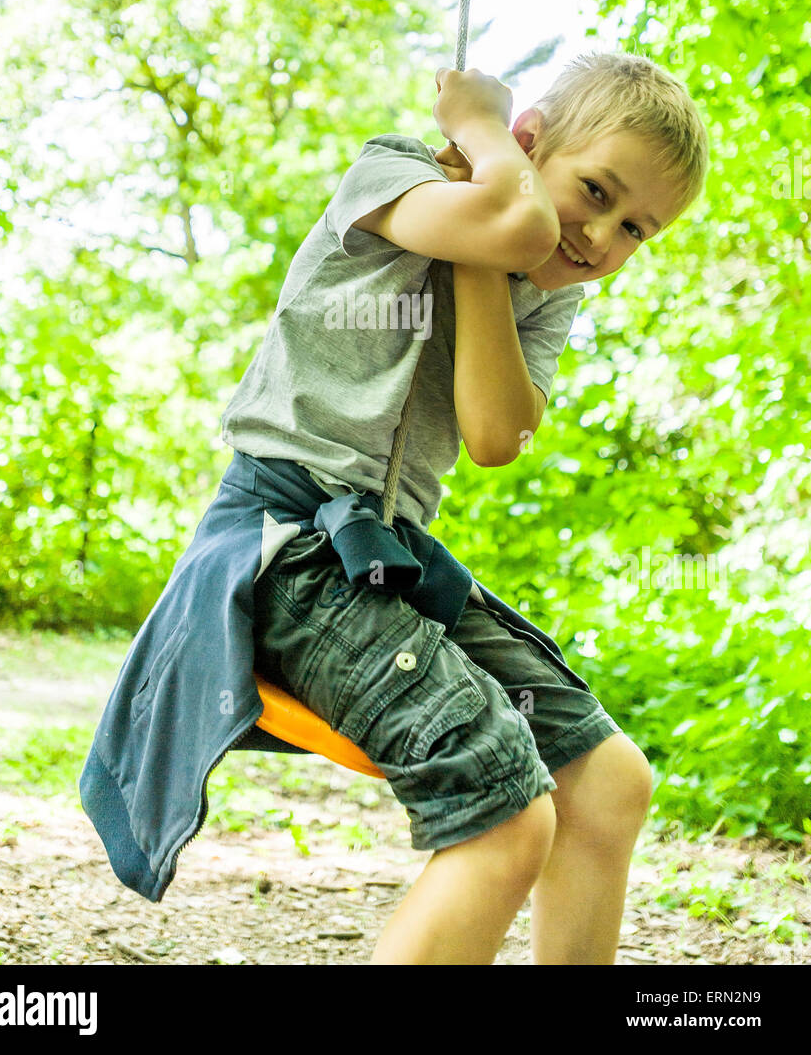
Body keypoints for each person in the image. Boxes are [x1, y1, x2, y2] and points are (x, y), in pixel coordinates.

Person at [80, 52, 709, 966]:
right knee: (506, 817)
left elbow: (495, 431)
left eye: (634, 230)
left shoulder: (539, 296)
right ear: (530, 139)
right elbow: (507, 217)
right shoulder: (394, 175)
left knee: (608, 782)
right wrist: (482, 129)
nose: (600, 236)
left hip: (384, 557)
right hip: (287, 551)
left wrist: (487, 253)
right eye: (595, 190)